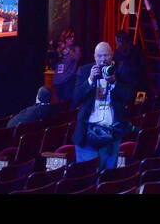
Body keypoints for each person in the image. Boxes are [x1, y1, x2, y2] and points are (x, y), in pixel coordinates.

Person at [72, 42, 134, 171]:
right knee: (87, 177)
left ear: (111, 56)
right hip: (87, 134)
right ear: (94, 57)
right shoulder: (84, 71)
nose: (103, 59)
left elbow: (129, 97)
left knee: (108, 178)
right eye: (99, 56)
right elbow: (76, 99)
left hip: (112, 135)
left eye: (106, 55)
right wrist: (90, 80)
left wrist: (113, 82)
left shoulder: (120, 72)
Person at [52, 31, 80, 104]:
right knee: (59, 103)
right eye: (69, 37)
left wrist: (68, 49)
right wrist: (59, 50)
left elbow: (77, 58)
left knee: (68, 102)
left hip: (68, 80)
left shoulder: (75, 48)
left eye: (73, 37)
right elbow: (54, 62)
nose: (72, 39)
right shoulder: (60, 49)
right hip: (58, 79)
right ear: (65, 39)